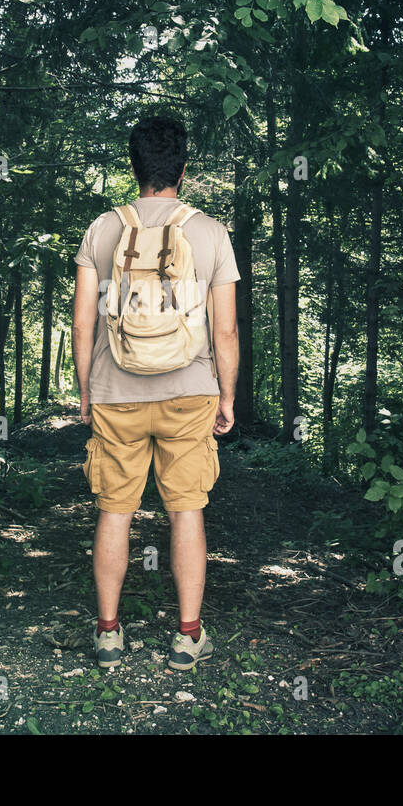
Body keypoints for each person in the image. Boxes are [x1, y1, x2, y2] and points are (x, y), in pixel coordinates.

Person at [71, 115, 240, 670]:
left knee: (114, 511)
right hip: (190, 393)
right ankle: (188, 636)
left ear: (134, 166)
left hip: (116, 391)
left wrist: (86, 393)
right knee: (186, 510)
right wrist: (227, 397)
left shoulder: (102, 228)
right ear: (183, 170)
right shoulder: (211, 232)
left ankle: (108, 634)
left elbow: (82, 323)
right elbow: (225, 330)